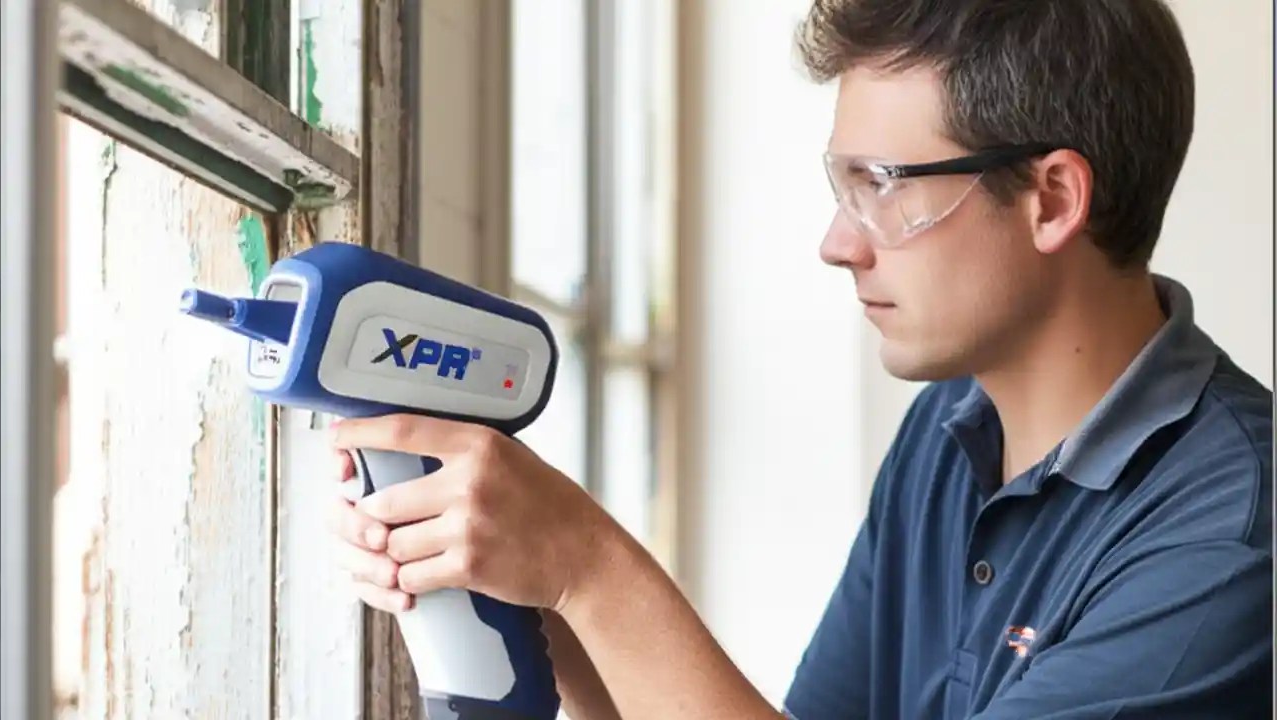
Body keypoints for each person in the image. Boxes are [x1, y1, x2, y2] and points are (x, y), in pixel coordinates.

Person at [324, 0, 1273, 717]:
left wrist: (587, 564)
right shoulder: (950, 433)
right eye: (842, 183)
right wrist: (522, 579)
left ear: (1053, 199)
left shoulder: (1234, 530)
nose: (839, 242)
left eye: (884, 187)